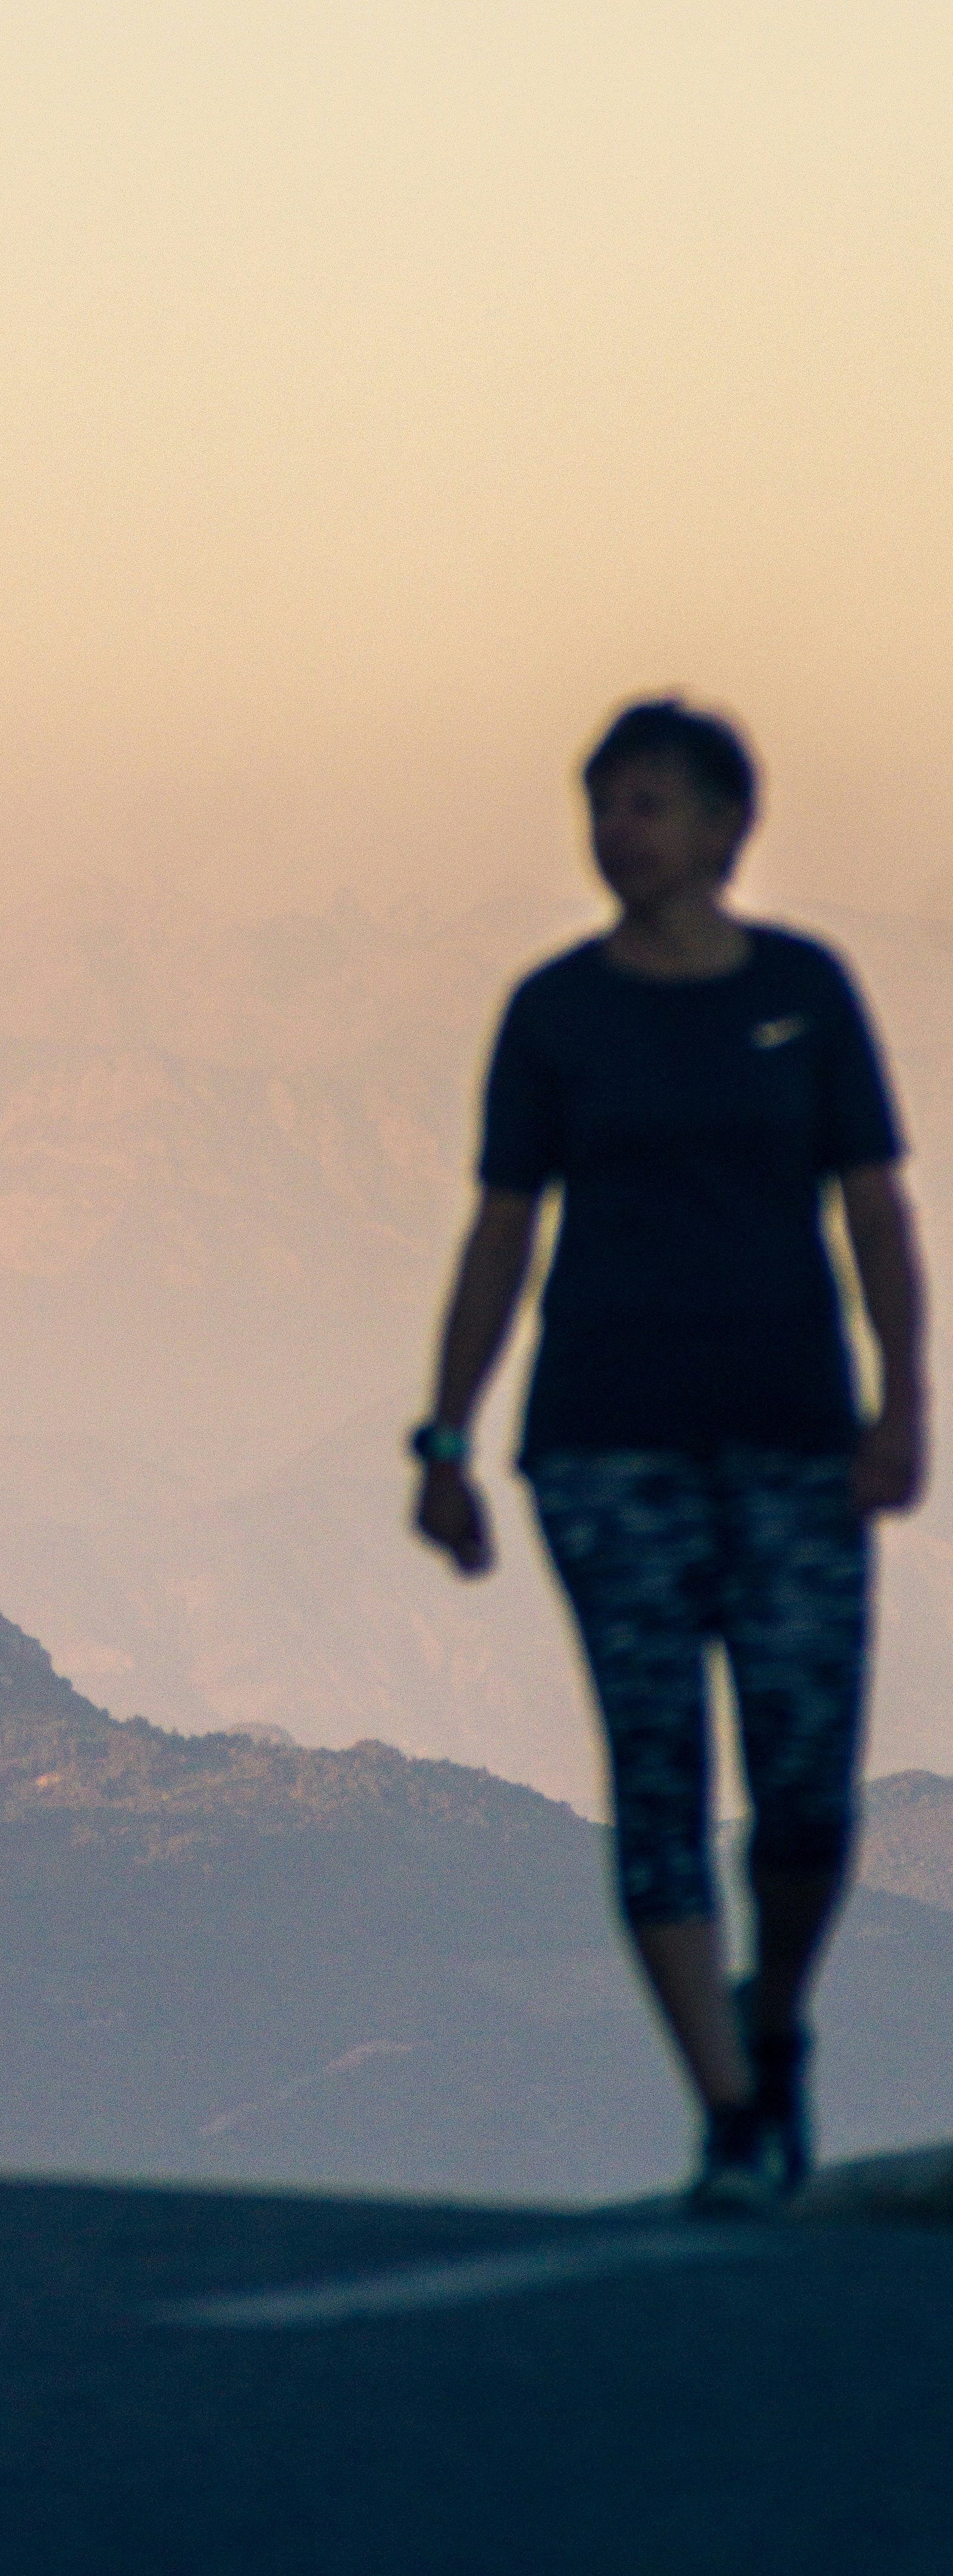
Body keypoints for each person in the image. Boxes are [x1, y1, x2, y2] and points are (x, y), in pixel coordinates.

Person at [411, 697, 926, 2213]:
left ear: (723, 828)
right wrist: (445, 1436)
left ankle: (775, 2024)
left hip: (792, 1442)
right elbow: (501, 1234)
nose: (618, 832)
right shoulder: (555, 1014)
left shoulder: (804, 994)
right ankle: (725, 2106)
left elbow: (877, 1212)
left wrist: (906, 1408)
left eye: (648, 804)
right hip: (602, 1447)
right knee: (655, 1769)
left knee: (805, 1786)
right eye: (603, 805)